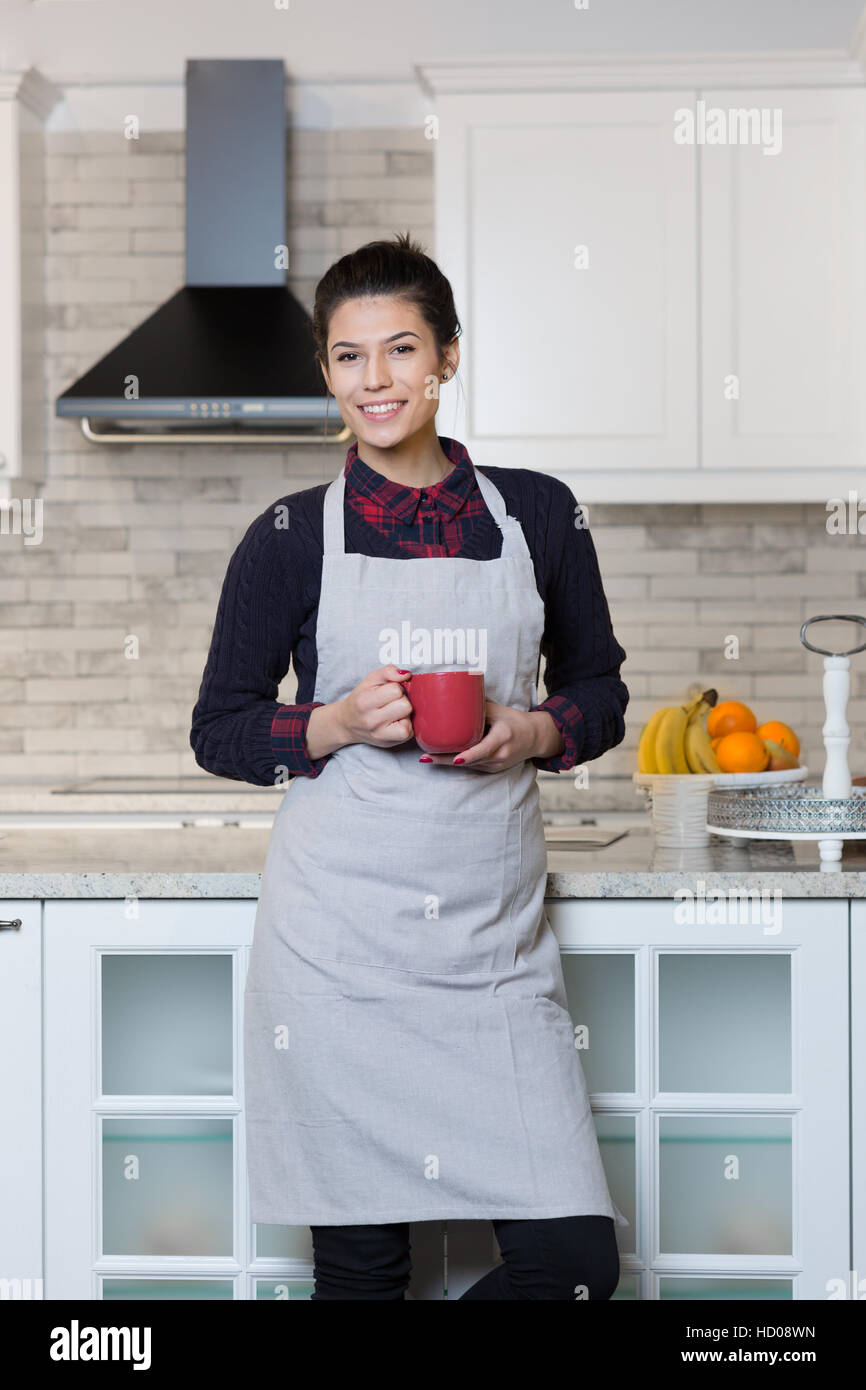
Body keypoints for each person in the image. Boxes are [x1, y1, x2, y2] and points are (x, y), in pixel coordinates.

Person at [190, 232, 631, 1300]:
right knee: (359, 1272)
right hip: (335, 955)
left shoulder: (535, 511)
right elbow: (220, 727)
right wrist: (331, 724)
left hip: (492, 959)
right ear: (326, 373)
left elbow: (601, 692)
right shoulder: (290, 536)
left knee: (570, 1265)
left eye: (400, 349)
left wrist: (524, 731)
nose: (374, 380)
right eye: (348, 357)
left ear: (447, 358)